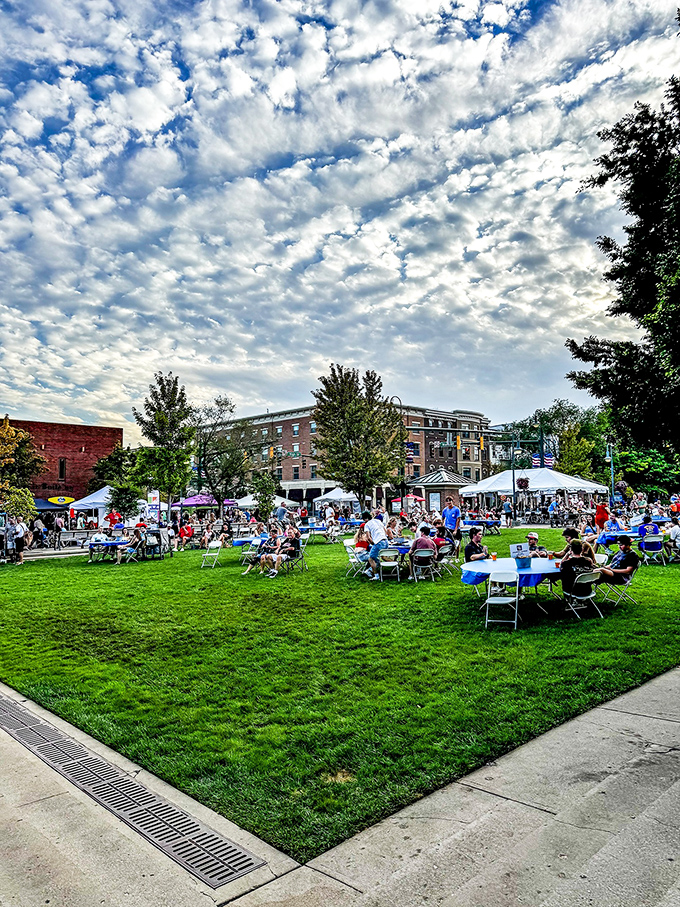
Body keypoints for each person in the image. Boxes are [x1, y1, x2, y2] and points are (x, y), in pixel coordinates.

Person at [362, 510, 389, 580]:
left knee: (371, 558)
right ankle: (397, 566)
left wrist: (373, 544)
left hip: (378, 542)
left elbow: (368, 538)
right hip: (385, 541)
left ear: (365, 519)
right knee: (382, 556)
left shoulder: (367, 524)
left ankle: (376, 575)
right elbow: (385, 531)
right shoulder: (378, 521)